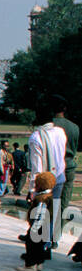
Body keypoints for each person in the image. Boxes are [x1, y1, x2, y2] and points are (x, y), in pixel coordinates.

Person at [28, 101, 66, 245]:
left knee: (40, 215)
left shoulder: (36, 137)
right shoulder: (60, 132)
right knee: (52, 213)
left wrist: (33, 189)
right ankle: (48, 243)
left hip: (44, 180)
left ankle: (39, 248)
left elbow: (36, 168)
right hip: (59, 176)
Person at [17, 170, 56, 271]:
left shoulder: (41, 198)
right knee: (40, 246)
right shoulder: (51, 196)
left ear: (41, 185)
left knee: (31, 245)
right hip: (46, 226)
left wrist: (34, 227)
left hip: (38, 226)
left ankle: (31, 265)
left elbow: (39, 213)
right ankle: (39, 263)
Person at [52, 94, 79, 225]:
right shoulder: (74, 127)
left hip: (53, 166)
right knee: (63, 202)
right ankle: (56, 235)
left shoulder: (49, 126)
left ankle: (38, 233)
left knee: (45, 201)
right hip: (69, 165)